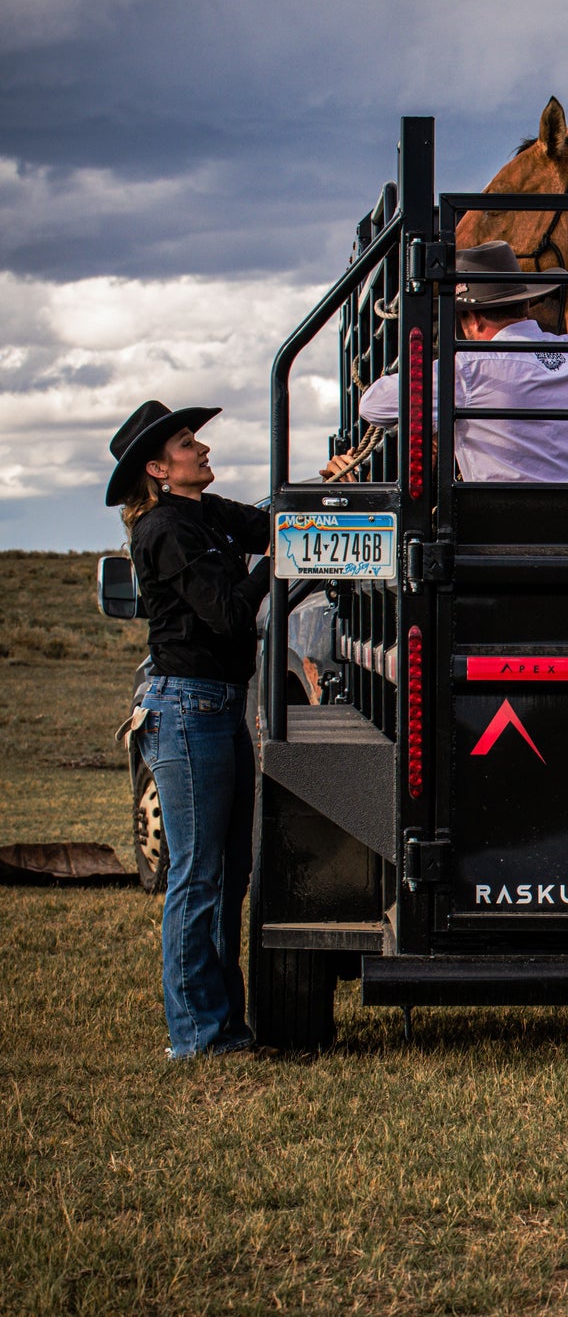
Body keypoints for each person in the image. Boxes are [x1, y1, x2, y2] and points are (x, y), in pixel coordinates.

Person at [106, 402, 269, 1059]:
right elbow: (229, 614)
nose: (200, 448)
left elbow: (272, 523)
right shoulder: (166, 530)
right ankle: (197, 1033)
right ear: (157, 468)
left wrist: (323, 492)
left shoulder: (205, 513)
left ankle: (223, 1025)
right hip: (187, 708)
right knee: (199, 874)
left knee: (229, 871)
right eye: (184, 443)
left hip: (218, 706)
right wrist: (279, 559)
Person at [333, 212, 568, 482]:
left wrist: (437, 400)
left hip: (504, 548)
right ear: (525, 305)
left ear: (472, 320)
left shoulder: (465, 372)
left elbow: (373, 404)